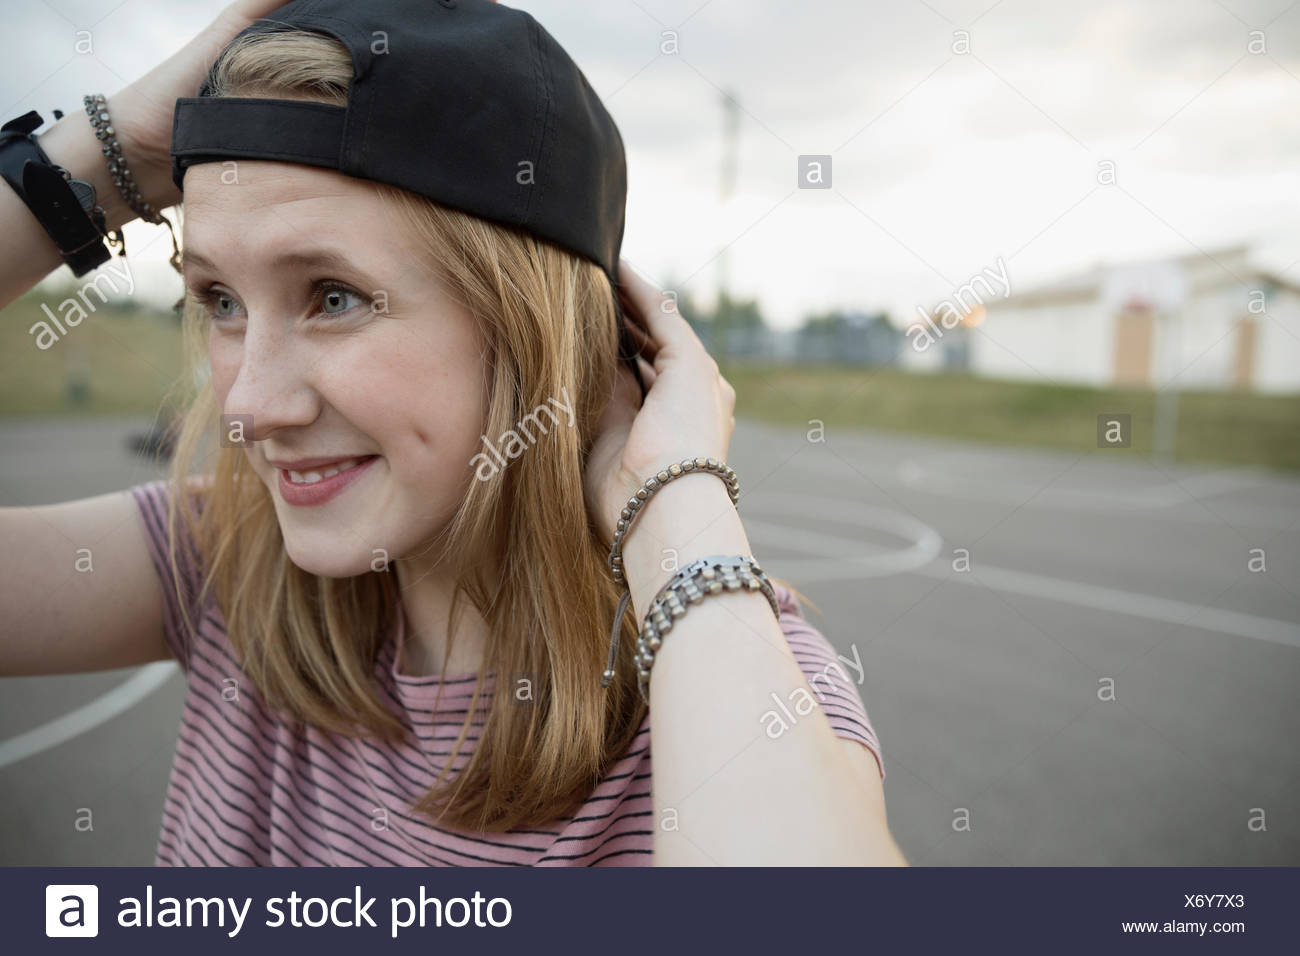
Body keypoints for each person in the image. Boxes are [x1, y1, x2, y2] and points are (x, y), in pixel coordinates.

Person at [0, 0, 905, 866]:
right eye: (220, 301)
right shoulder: (224, 567)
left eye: (334, 297)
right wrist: (117, 151)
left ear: (531, 337)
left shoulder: (739, 682)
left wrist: (675, 501)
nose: (248, 405)